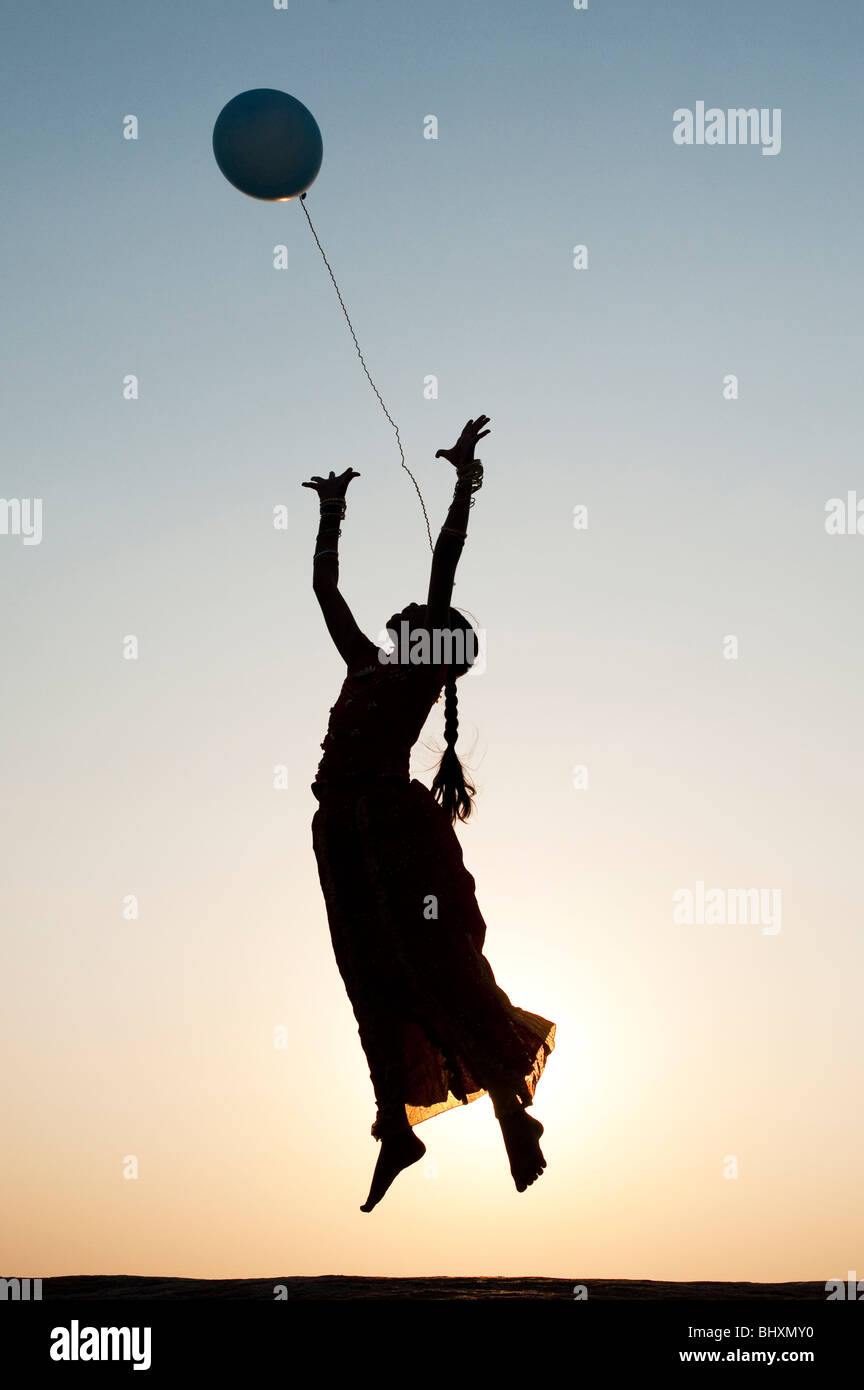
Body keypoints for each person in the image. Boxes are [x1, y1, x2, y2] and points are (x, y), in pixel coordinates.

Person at [303, 416, 556, 1211]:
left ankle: (513, 1107)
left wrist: (462, 484)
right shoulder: (365, 662)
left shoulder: (412, 676)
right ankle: (395, 1127)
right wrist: (331, 511)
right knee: (366, 979)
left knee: (432, 965)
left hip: (390, 828)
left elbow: (444, 567)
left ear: (431, 646)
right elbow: (324, 591)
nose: (409, 606)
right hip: (340, 831)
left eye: (421, 614)